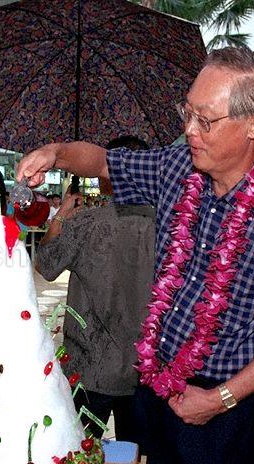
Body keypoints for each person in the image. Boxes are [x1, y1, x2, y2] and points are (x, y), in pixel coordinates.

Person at [17, 47, 254, 464]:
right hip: (151, 385)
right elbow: (104, 163)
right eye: (187, 112)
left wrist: (220, 398)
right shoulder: (175, 166)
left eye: (205, 120)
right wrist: (56, 152)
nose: (189, 130)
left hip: (226, 403)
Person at [35, 135, 154, 442]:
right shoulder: (172, 224)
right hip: (147, 370)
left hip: (90, 365)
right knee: (137, 461)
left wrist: (62, 214)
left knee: (79, 455)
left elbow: (46, 265)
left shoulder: (87, 222)